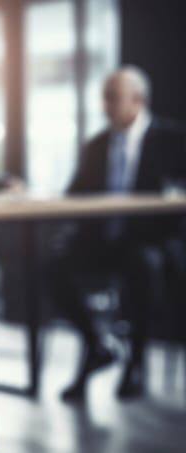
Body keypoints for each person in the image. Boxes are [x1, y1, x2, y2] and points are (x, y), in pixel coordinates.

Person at [51, 66, 186, 400]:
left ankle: (135, 364)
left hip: (151, 241)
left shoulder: (173, 141)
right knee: (53, 266)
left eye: (113, 98)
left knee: (142, 264)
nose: (105, 106)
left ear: (138, 100)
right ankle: (97, 344)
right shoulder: (96, 145)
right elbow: (74, 195)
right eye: (105, 98)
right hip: (101, 242)